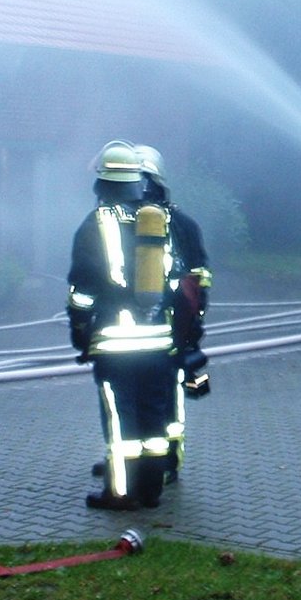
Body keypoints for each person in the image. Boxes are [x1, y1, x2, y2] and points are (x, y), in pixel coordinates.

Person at [67, 141, 210, 511]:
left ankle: (120, 493)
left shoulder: (95, 225)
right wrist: (184, 332)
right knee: (153, 415)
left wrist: (79, 332)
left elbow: (82, 291)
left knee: (121, 421)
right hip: (158, 340)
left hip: (115, 342)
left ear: (102, 183)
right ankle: (152, 489)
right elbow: (182, 281)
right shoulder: (160, 223)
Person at [133, 144, 212, 484]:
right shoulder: (184, 224)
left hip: (148, 329)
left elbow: (198, 280)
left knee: (147, 396)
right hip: (172, 330)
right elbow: (201, 280)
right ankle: (158, 460)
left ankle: (159, 459)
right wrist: (194, 327)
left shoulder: (156, 223)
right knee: (165, 394)